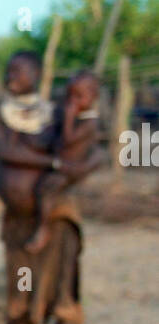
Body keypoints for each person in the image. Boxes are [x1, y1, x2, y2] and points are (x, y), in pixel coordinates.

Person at [0, 51, 102, 324]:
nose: (9, 76)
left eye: (17, 70)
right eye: (7, 70)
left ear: (36, 73)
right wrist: (54, 162)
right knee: (18, 291)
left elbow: (87, 152)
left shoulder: (55, 116)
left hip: (57, 221)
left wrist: (79, 166)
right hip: (19, 226)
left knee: (61, 292)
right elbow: (4, 151)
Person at [24, 70, 103, 253]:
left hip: (70, 169)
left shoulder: (90, 123)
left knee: (46, 189)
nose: (72, 101)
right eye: (70, 95)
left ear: (93, 97)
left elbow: (68, 139)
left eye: (79, 96)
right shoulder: (73, 116)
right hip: (59, 165)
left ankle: (42, 228)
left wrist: (68, 117)